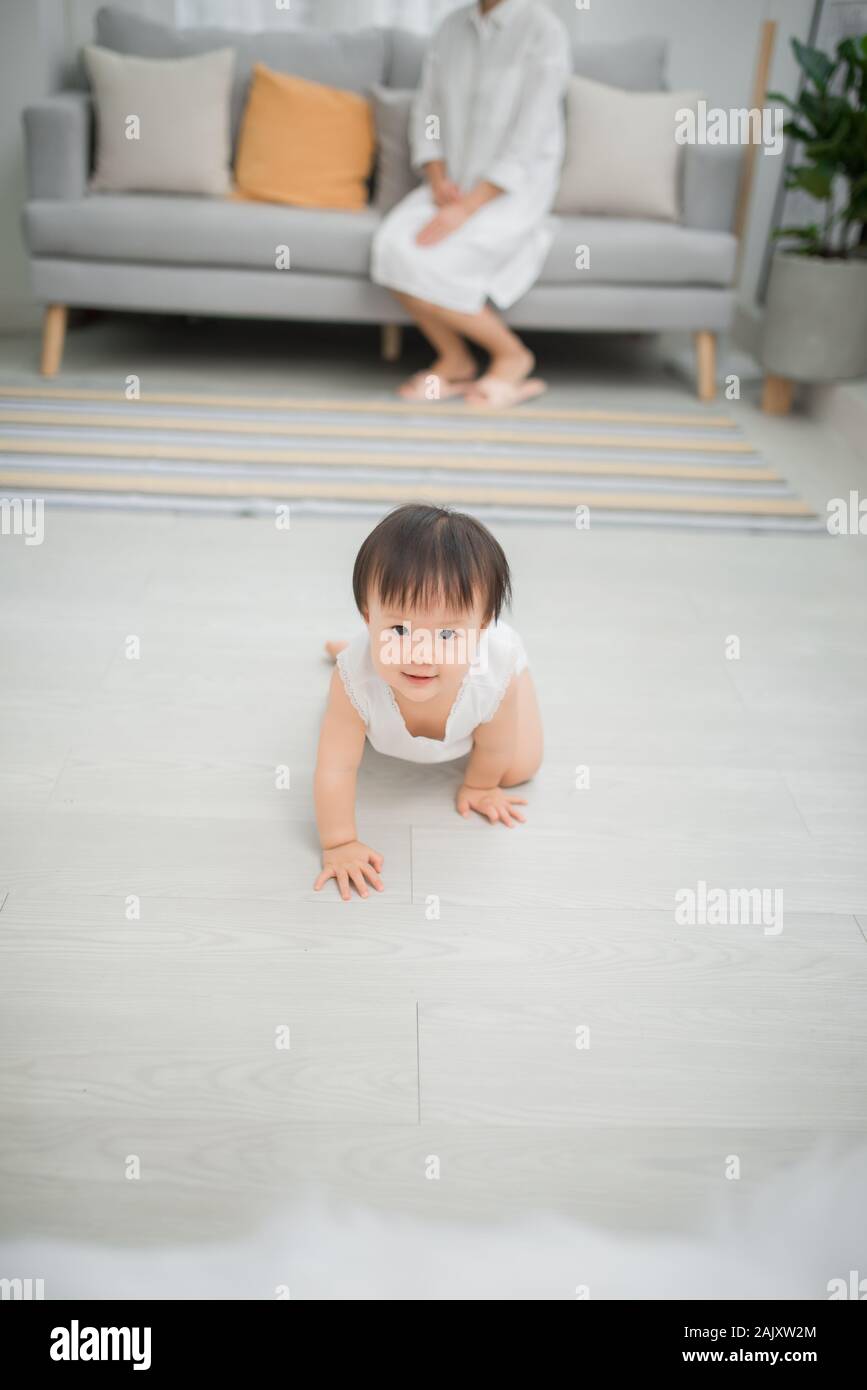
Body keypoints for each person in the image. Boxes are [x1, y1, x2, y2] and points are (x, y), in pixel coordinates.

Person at [313, 504, 543, 900]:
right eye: (400, 629)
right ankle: (350, 644)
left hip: (499, 681)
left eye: (448, 635)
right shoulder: (353, 678)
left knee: (518, 767)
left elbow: (497, 742)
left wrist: (479, 785)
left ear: (482, 626)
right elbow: (335, 767)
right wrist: (339, 843)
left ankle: (521, 675)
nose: (421, 654)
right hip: (367, 661)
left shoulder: (491, 674)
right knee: (360, 667)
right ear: (368, 618)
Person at [371, 0, 569, 408]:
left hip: (509, 193)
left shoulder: (543, 30)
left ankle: (513, 356)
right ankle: (456, 358)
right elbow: (427, 111)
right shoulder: (449, 28)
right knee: (390, 246)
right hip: (451, 184)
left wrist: (469, 207)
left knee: (432, 260)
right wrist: (438, 176)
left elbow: (529, 137)